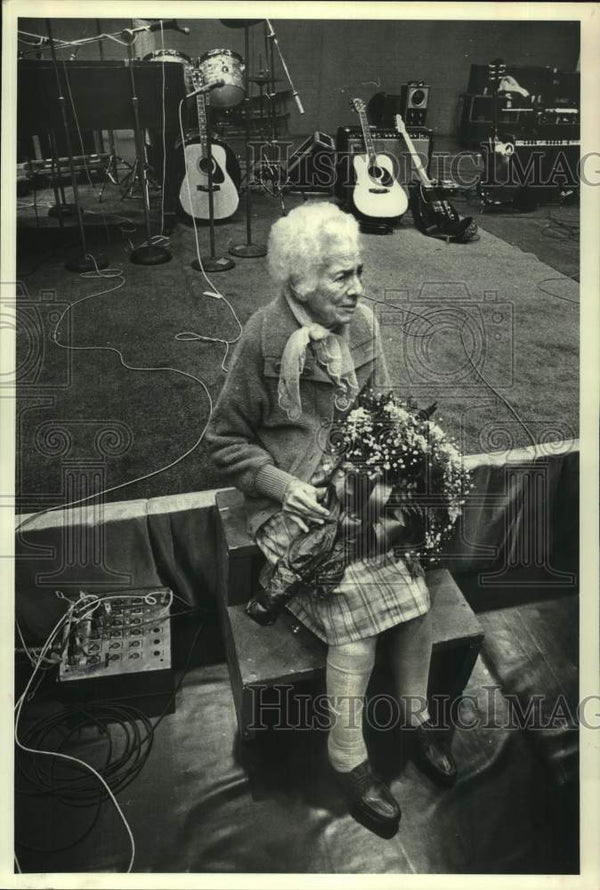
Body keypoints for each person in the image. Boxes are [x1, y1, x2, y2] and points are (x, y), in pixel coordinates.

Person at [206, 202, 456, 836]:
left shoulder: (362, 324)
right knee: (355, 622)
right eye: (342, 276)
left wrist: (408, 460)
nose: (358, 289)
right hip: (291, 509)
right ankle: (347, 758)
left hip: (359, 494)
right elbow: (224, 440)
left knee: (417, 597)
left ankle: (418, 719)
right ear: (298, 282)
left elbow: (385, 409)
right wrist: (282, 484)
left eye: (359, 272)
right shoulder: (261, 338)